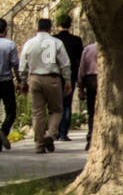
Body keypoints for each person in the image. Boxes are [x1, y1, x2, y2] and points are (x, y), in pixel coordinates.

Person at [18, 17, 72, 153]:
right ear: (50, 28)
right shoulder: (57, 43)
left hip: (35, 78)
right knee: (57, 110)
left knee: (37, 113)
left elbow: (22, 65)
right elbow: (65, 63)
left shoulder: (29, 43)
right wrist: (67, 80)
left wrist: (23, 81)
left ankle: (39, 144)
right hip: (52, 79)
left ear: (37, 28)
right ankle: (51, 134)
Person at [54, 14, 83, 142]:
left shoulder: (53, 40)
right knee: (67, 104)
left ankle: (54, 131)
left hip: (54, 75)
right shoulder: (76, 40)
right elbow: (80, 60)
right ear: (70, 25)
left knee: (55, 104)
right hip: (70, 76)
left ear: (57, 25)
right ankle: (63, 133)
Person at [0, 19, 17, 151]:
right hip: (6, 82)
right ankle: (3, 132)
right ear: (5, 29)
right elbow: (15, 64)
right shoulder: (10, 44)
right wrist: (20, 80)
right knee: (11, 112)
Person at [78, 41, 99, 150]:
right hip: (102, 79)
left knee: (92, 111)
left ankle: (90, 137)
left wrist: (80, 87)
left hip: (91, 80)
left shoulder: (88, 49)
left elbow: (82, 68)